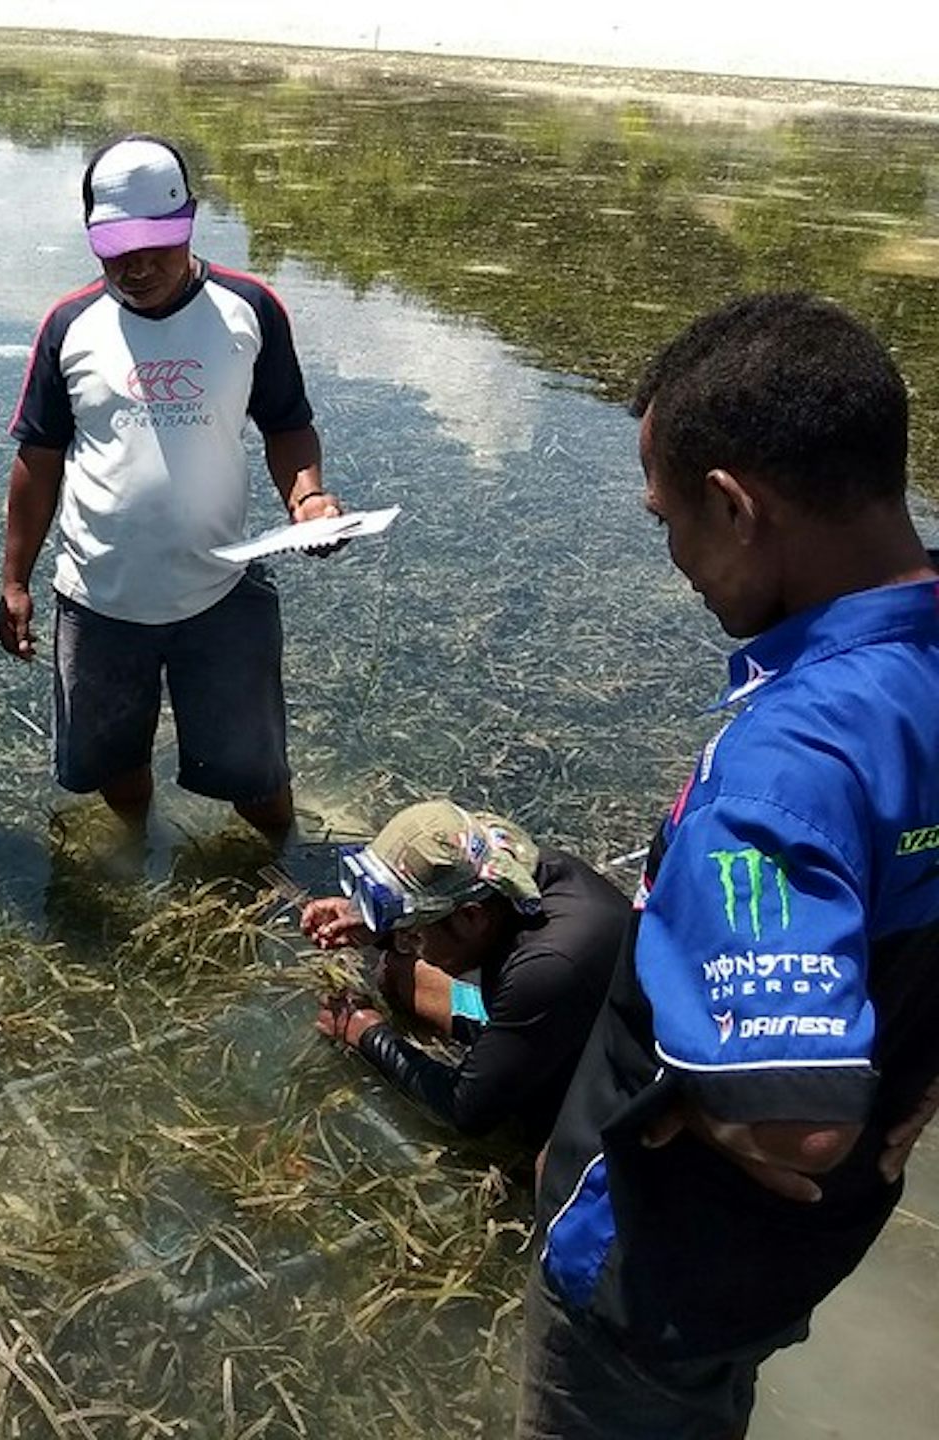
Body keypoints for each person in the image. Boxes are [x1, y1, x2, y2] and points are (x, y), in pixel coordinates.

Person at [522, 293, 939, 1439]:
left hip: (655, 1283)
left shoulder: (786, 764)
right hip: (799, 1257)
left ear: (734, 505)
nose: (676, 560)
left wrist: (693, 1103)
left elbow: (802, 1128)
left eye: (670, 522)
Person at [0, 134, 339, 841]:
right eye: (117, 246)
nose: (138, 264)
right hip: (98, 599)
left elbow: (287, 426)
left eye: (158, 242)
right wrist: (15, 581)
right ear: (92, 233)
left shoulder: (251, 309)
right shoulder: (69, 325)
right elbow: (40, 458)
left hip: (221, 594)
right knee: (117, 775)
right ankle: (131, 860)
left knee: (260, 781)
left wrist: (306, 497)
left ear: (191, 221)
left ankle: (277, 867)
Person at [305, 801, 628, 1143]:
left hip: (606, 1084)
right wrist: (375, 921)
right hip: (555, 1024)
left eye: (414, 931)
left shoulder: (546, 968)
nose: (409, 941)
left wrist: (366, 1032)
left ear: (471, 917)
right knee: (398, 974)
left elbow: (466, 1111)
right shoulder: (507, 872)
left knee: (539, 1150)